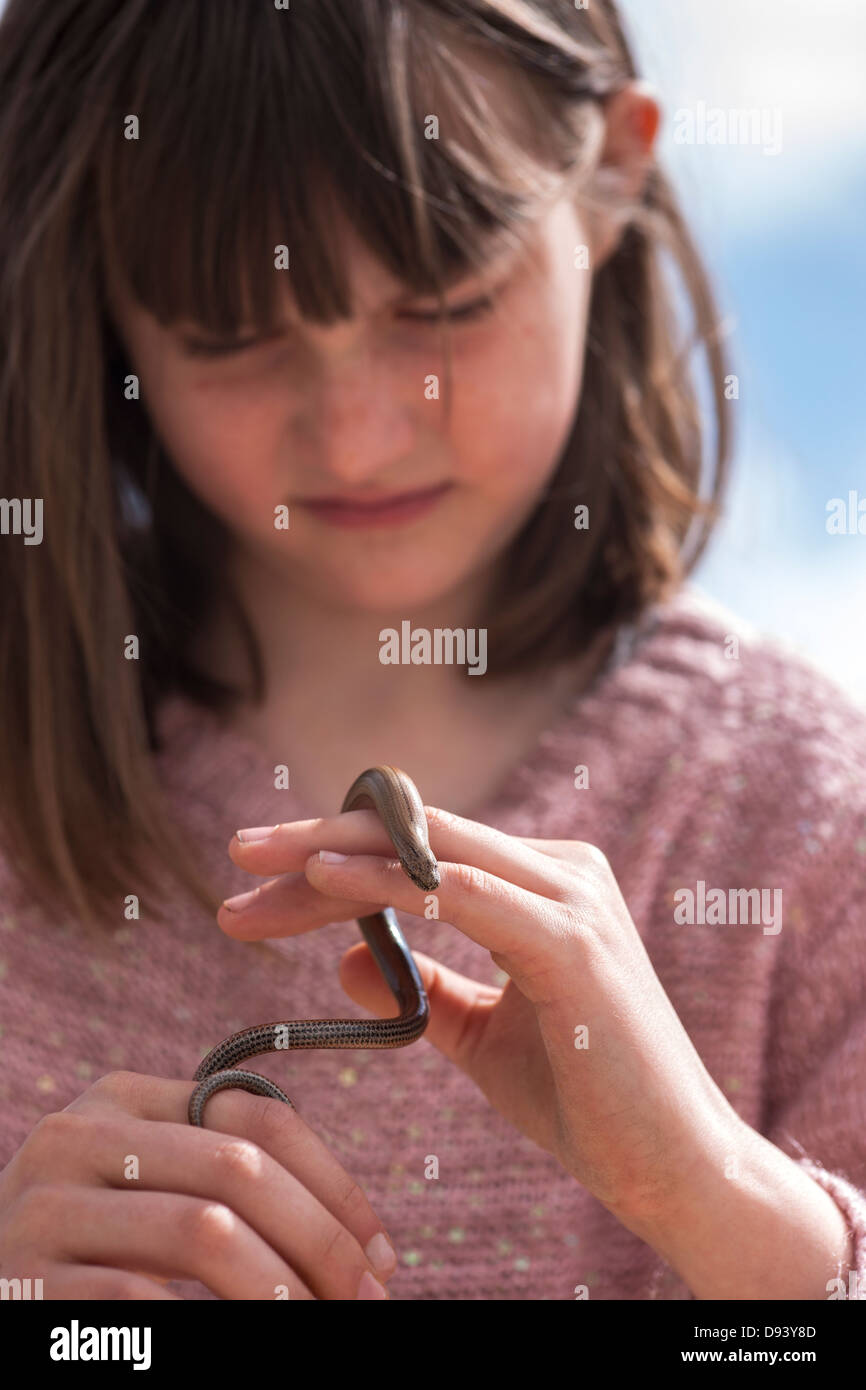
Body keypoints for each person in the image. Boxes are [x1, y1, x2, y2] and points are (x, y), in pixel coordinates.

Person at [0, 0, 863, 1302]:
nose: (354, 437)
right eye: (231, 336)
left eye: (444, 304)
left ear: (613, 174)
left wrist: (726, 1208)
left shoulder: (808, 834)